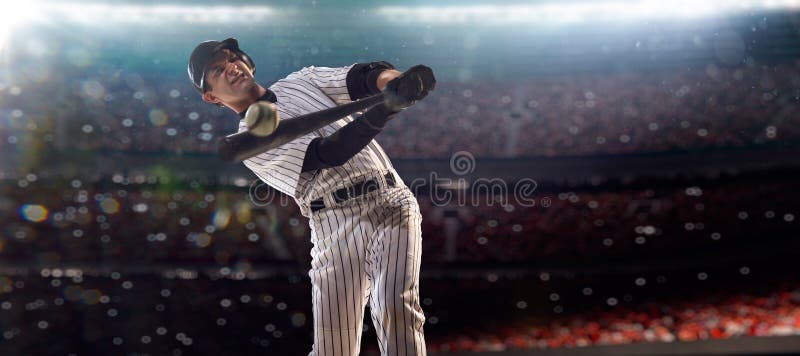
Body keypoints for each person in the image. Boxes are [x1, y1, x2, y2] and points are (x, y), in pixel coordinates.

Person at [187, 38, 435, 356]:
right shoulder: (248, 143)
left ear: (247, 61)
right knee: (334, 346)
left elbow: (363, 77)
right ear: (211, 96)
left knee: (395, 306)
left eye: (232, 59)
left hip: (390, 201)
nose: (231, 68)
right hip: (334, 222)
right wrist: (384, 110)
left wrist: (396, 83)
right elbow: (329, 153)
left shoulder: (301, 81)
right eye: (218, 70)